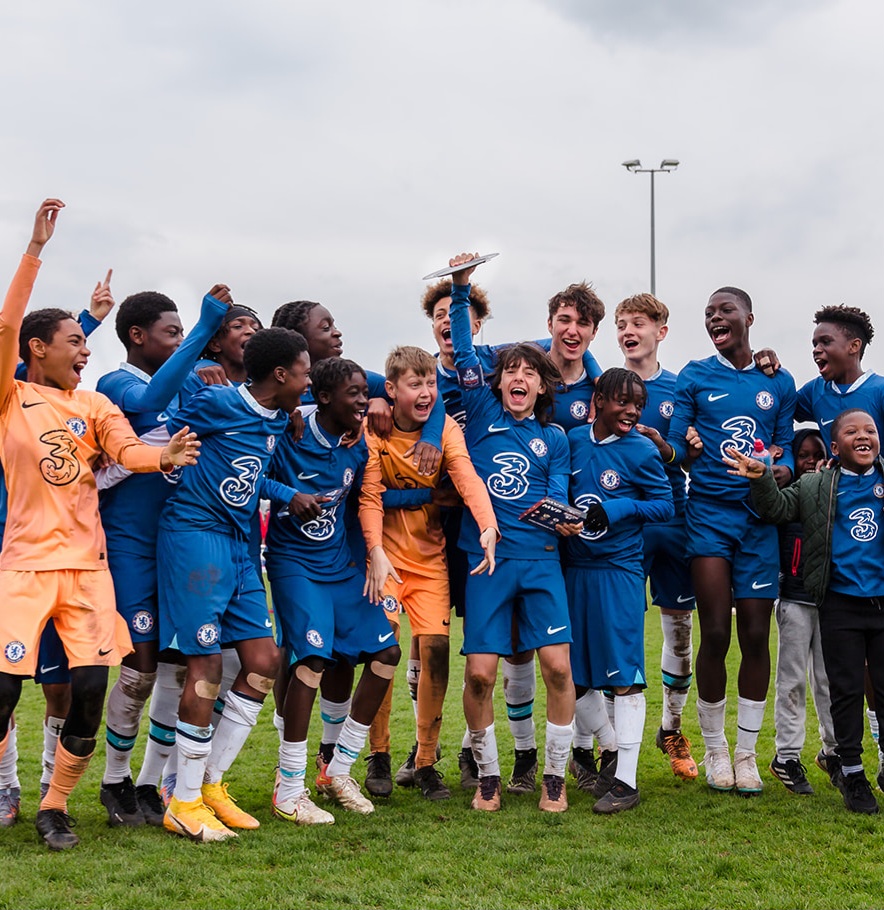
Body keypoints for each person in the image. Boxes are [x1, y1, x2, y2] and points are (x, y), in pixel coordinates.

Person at [0, 199, 199, 850]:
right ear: (38, 349)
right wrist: (33, 251)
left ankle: (56, 806)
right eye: (76, 341)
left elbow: (126, 451)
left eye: (87, 342)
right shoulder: (13, 397)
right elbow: (6, 329)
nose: (86, 351)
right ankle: (8, 784)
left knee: (90, 690)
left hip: (88, 571)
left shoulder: (95, 402)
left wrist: (159, 455)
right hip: (25, 568)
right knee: (3, 691)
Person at [157, 326, 309, 842]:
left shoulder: (272, 418)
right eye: (305, 372)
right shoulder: (217, 401)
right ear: (282, 374)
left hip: (239, 544)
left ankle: (212, 785)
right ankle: (182, 800)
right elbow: (167, 436)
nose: (309, 381)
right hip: (194, 537)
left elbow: (245, 475)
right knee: (204, 668)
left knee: (264, 662)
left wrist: (286, 492)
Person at [95, 284, 232, 826]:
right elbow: (149, 407)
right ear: (137, 336)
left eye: (182, 332)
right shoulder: (115, 384)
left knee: (180, 665)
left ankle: (152, 784)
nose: (180, 342)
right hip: (131, 546)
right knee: (140, 666)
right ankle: (114, 781)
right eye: (171, 333)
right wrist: (202, 332)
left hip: (179, 545)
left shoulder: (182, 390)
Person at [449, 253, 575, 813]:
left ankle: (554, 777)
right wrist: (459, 290)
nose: (518, 378)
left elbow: (561, 501)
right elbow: (464, 348)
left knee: (556, 666)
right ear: (495, 382)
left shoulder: (556, 438)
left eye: (529, 372)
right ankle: (489, 776)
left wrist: (567, 518)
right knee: (478, 675)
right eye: (511, 371)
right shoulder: (478, 410)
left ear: (542, 386)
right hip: (487, 564)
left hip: (542, 560)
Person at [663, 286, 796, 795]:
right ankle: (717, 751)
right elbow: (678, 448)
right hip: (710, 518)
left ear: (749, 318)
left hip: (759, 522)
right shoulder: (695, 374)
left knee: (757, 637)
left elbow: (785, 456)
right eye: (708, 314)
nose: (715, 318)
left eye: (725, 311)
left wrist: (771, 470)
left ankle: (747, 755)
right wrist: (682, 446)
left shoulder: (776, 379)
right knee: (716, 633)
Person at [725, 409, 884, 814]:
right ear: (836, 447)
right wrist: (761, 477)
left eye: (870, 430)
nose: (863, 436)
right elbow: (777, 509)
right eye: (852, 431)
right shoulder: (815, 487)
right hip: (837, 604)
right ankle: (850, 771)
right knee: (842, 691)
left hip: (881, 605)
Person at [359, 345, 498, 800]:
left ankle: (424, 760)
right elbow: (370, 496)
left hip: (430, 561)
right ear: (391, 389)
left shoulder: (447, 431)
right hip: (386, 562)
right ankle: (378, 754)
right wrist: (376, 550)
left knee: (436, 653)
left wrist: (487, 524)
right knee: (385, 653)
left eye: (430, 384)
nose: (425, 392)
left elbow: (466, 477)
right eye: (414, 384)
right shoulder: (373, 430)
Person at [266, 357, 401, 823]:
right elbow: (253, 476)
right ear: (322, 398)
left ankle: (338, 771)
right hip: (294, 566)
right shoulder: (290, 433)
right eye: (354, 393)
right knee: (312, 661)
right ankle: (288, 788)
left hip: (341, 567)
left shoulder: (358, 446)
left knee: (387, 654)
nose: (364, 400)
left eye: (366, 392)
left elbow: (365, 500)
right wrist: (287, 495)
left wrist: (372, 552)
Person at [562, 368, 674, 812]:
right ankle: (610, 748)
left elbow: (664, 505)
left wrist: (620, 508)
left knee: (624, 677)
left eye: (638, 405)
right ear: (599, 399)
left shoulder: (642, 450)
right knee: (576, 675)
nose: (631, 411)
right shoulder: (570, 441)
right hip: (573, 570)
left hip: (619, 570)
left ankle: (626, 782)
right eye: (623, 402)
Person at [613, 293, 698, 782]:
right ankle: (608, 740)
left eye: (638, 323)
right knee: (619, 626)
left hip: (672, 518)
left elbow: (690, 458)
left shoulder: (679, 388)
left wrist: (664, 447)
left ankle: (671, 727)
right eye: (622, 324)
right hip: (625, 525)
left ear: (660, 331)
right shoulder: (608, 386)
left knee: (679, 630)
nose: (629, 330)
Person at [766, 428, 839, 794]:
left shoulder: (832, 493)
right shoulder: (788, 497)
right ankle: (787, 756)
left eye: (817, 453)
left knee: (829, 680)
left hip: (829, 602)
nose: (810, 461)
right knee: (791, 680)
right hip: (794, 599)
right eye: (803, 454)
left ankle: (833, 751)